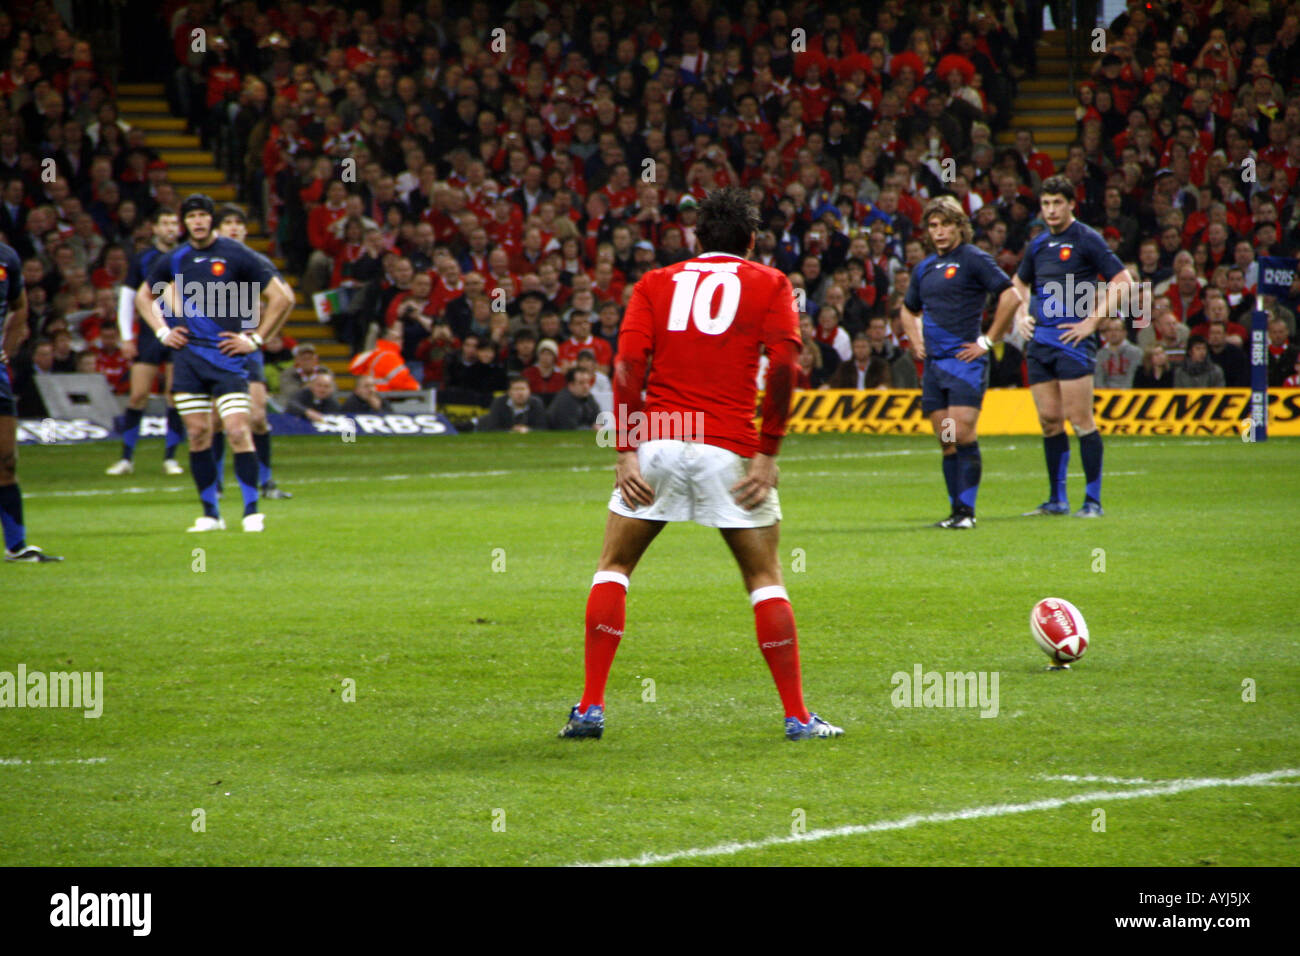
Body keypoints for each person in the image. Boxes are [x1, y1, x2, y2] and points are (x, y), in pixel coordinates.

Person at [558, 187, 842, 743]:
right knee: (763, 578)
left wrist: (624, 448)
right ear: (752, 241)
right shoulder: (771, 283)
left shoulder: (655, 283)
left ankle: (590, 708)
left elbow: (628, 362)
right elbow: (785, 364)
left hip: (659, 443)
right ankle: (797, 716)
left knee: (613, 567)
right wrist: (769, 450)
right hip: (730, 449)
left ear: (696, 239)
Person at [137, 193, 292, 533]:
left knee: (239, 429)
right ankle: (211, 514)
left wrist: (255, 339)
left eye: (203, 215)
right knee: (197, 433)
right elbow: (143, 296)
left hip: (228, 357)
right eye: (191, 216)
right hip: (189, 359)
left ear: (211, 220)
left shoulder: (238, 255)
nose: (197, 221)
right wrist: (162, 332)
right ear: (184, 223)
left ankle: (252, 511)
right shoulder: (176, 259)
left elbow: (284, 298)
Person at [1012, 176, 1135, 519]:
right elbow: (1018, 282)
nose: (1051, 210)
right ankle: (1057, 499)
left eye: (1057, 203)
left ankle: (1093, 501)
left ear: (1070, 204)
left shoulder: (1086, 239)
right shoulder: (1037, 244)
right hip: (1040, 343)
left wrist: (1091, 322)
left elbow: (1123, 281)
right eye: (1046, 204)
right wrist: (1022, 315)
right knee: (1050, 421)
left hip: (1073, 343)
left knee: (1081, 420)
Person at [900, 196, 1021, 529]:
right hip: (935, 369)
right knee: (947, 439)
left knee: (963, 431)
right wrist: (916, 340)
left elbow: (1011, 296)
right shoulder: (924, 268)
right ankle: (956, 512)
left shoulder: (973, 259)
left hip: (964, 365)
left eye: (946, 224)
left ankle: (967, 513)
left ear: (959, 226)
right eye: (933, 225)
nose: (939, 232)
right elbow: (907, 309)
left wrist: (986, 341)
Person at [213, 206, 294, 499]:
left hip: (247, 347)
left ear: (246, 230)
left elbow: (287, 299)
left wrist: (261, 337)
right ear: (217, 228)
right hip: (214, 345)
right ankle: (215, 484)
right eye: (227, 222)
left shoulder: (255, 262)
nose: (234, 227)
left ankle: (267, 483)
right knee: (215, 419)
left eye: (239, 223)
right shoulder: (202, 261)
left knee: (258, 417)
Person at [105, 207, 186, 476]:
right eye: (165, 223)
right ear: (156, 228)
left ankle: (170, 458)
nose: (171, 228)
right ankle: (126, 458)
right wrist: (127, 336)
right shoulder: (143, 258)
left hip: (182, 331)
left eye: (174, 223)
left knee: (175, 395)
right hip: (151, 333)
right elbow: (128, 299)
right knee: (138, 394)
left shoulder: (190, 257)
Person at [0, 239, 62, 561]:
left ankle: (16, 546)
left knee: (6, 460)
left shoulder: (7, 257)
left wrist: (6, 351)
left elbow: (19, 307)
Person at [478, 375, 548, 432]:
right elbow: (492, 428)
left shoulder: (536, 403)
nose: (520, 393)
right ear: (509, 392)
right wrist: (510, 431)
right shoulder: (498, 403)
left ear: (529, 391)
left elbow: (543, 428)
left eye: (523, 389)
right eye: (516, 389)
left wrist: (528, 430)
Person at [1094, 318, 1144, 388]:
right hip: (1105, 396)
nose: (1113, 333)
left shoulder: (1136, 352)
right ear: (1105, 334)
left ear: (1125, 332)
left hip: (1129, 394)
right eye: (1109, 330)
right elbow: (1098, 379)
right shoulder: (1100, 354)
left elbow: (1132, 378)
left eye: (1117, 329)